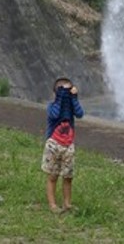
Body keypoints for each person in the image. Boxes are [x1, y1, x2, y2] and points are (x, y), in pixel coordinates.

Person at [43, 77, 84, 213]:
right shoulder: (51, 106)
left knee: (68, 176)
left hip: (68, 145)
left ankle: (67, 203)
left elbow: (80, 114)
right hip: (53, 144)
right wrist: (60, 97)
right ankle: (53, 204)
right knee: (52, 176)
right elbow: (54, 115)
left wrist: (74, 99)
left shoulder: (71, 107)